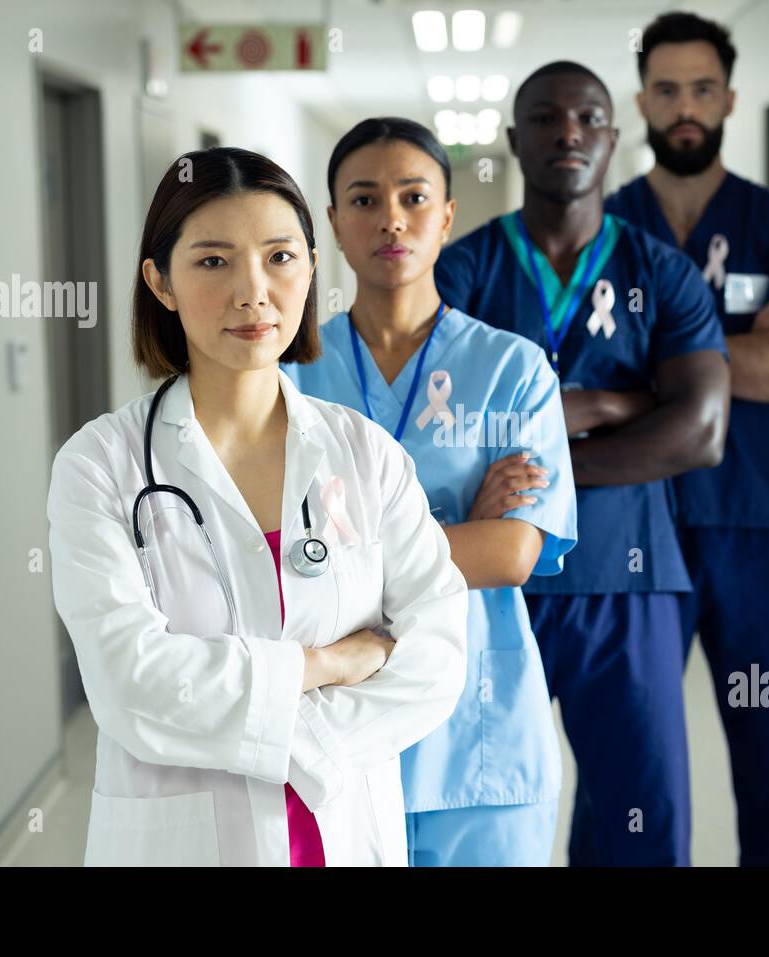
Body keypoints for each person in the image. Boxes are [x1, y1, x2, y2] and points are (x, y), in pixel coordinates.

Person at [46, 146, 468, 867]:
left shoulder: (365, 455)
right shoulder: (101, 464)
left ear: (309, 265)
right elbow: (132, 684)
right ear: (161, 280)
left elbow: (436, 659)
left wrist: (303, 742)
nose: (253, 291)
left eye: (279, 257)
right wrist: (328, 661)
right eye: (213, 261)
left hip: (343, 831)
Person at [435, 62, 731, 866]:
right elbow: (446, 430)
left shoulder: (659, 271)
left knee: (642, 816)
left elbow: (700, 429)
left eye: (589, 117)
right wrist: (624, 400)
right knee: (481, 807)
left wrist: (544, 434)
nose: (568, 132)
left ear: (612, 135)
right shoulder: (461, 272)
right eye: (545, 118)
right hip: (495, 586)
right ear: (514, 140)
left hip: (627, 582)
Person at [286, 117, 578, 866]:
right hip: (332, 745)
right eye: (364, 199)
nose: (391, 218)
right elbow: (275, 558)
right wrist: (459, 531)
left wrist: (348, 544)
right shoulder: (289, 378)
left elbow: (513, 552)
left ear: (447, 216)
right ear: (333, 225)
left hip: (481, 746)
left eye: (414, 196)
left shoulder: (513, 371)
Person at [606, 12, 769, 866]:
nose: (685, 107)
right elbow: (569, 383)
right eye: (667, 90)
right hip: (632, 539)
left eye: (703, 88)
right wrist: (744, 351)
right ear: (642, 101)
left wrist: (653, 365)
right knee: (624, 778)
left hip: (756, 533)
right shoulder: (605, 230)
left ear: (730, 98)